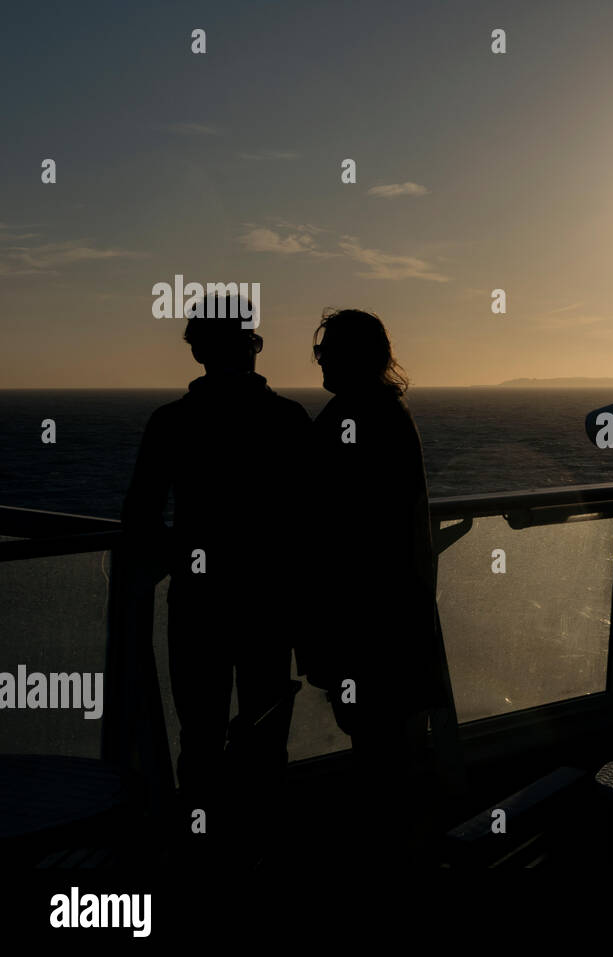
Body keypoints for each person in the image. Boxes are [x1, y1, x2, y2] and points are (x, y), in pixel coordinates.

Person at [121, 293, 310, 863]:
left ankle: (199, 850)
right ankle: (261, 842)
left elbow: (141, 516)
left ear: (198, 352)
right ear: (253, 347)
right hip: (270, 600)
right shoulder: (288, 420)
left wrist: (179, 556)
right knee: (265, 730)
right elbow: (314, 516)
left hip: (199, 599)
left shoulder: (172, 423)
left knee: (199, 734)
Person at [299, 308, 453, 856]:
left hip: (364, 620)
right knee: (386, 740)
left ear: (354, 357)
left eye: (328, 352)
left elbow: (335, 520)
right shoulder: (384, 413)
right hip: (387, 615)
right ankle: (398, 848)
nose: (320, 361)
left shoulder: (356, 418)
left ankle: (388, 854)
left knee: (376, 741)